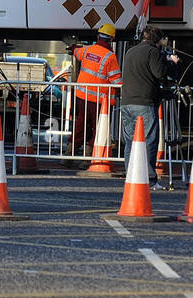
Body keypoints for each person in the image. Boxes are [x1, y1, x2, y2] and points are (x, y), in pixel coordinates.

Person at [120, 26, 176, 190]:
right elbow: (159, 73)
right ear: (158, 40)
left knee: (130, 142)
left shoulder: (130, 51)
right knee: (150, 141)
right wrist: (171, 62)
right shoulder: (153, 52)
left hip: (127, 102)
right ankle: (150, 180)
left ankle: (131, 176)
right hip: (144, 103)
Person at [71, 24, 122, 156]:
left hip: (83, 96)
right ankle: (88, 156)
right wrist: (122, 91)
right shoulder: (110, 57)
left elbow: (76, 53)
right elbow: (116, 80)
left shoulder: (87, 50)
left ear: (98, 36)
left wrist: (74, 47)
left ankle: (68, 154)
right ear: (111, 40)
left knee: (81, 125)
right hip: (100, 100)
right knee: (98, 129)